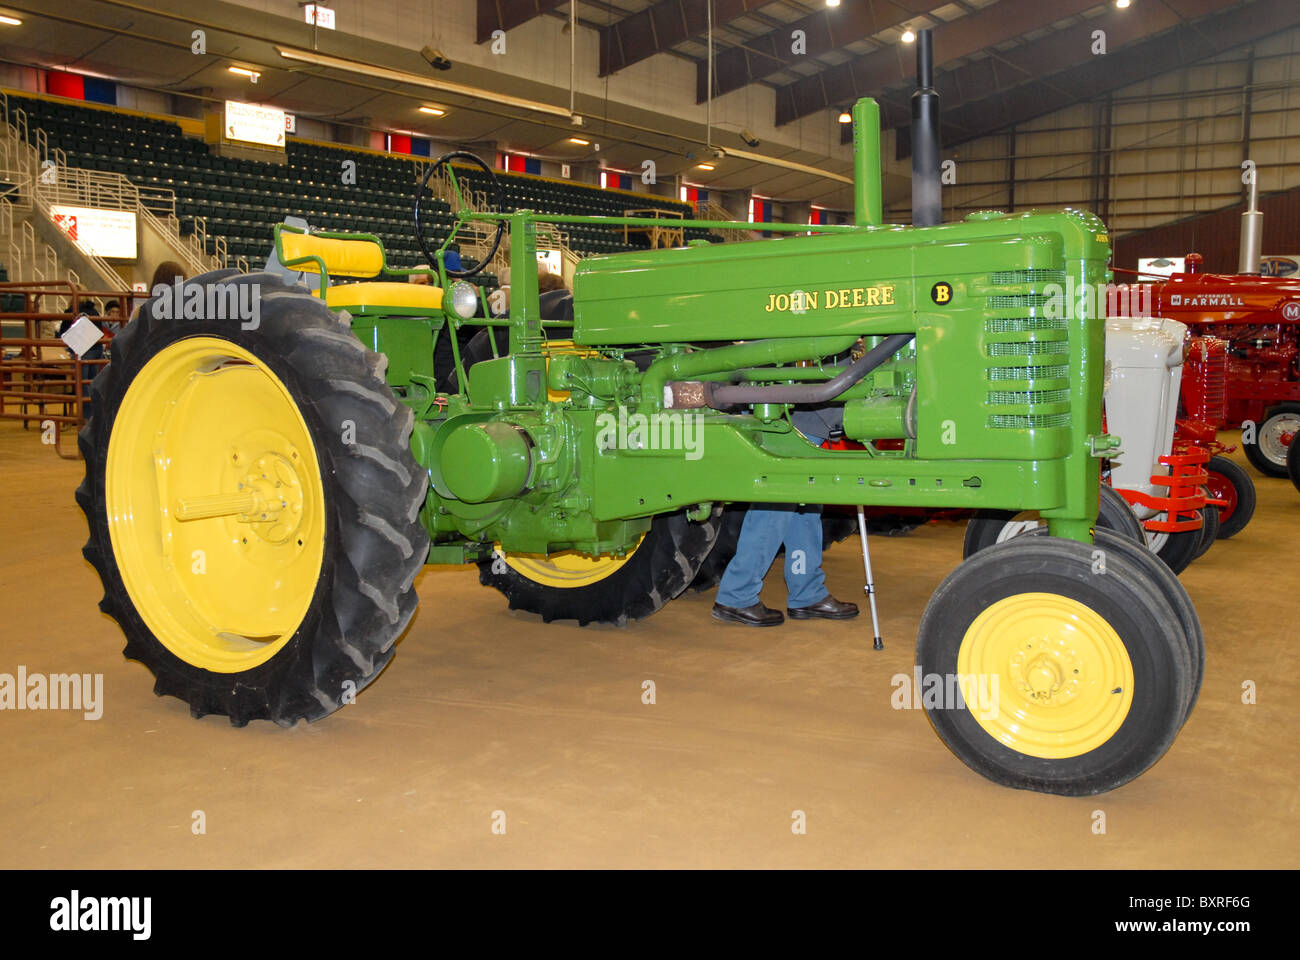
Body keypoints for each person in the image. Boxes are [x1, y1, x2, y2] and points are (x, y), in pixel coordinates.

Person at [712, 409, 859, 627]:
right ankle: (737, 594)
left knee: (804, 508)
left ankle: (807, 593)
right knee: (775, 507)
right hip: (799, 415)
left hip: (814, 418)